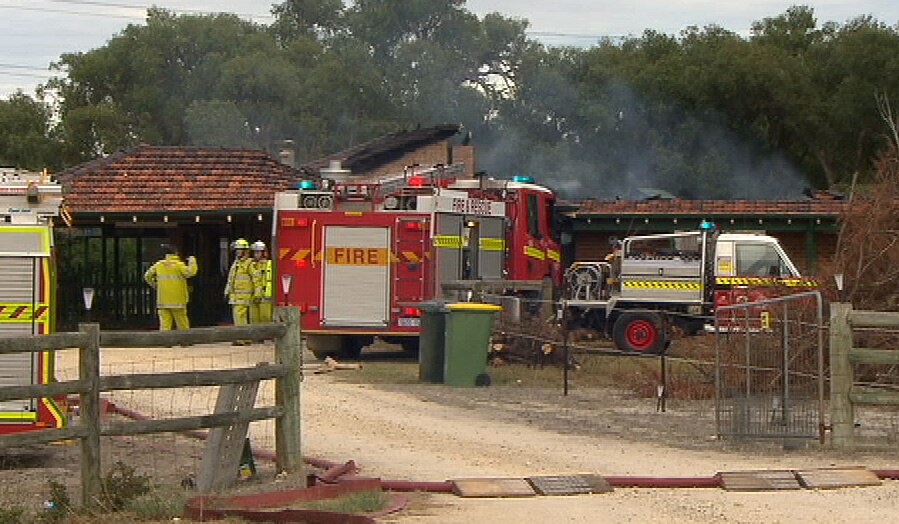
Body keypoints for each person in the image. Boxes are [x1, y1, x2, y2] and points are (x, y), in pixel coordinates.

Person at [144, 244, 198, 330]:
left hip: (163, 300)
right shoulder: (179, 265)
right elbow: (190, 272)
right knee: (182, 323)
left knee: (165, 324)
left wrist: (155, 285)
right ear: (175, 253)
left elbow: (147, 276)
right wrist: (192, 261)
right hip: (178, 300)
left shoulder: (158, 265)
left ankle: (165, 342)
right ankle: (185, 340)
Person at [224, 238, 254, 344]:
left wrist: (258, 293)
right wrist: (227, 291)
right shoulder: (236, 263)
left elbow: (256, 279)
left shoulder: (249, 263)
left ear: (245, 250)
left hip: (244, 295)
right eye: (236, 250)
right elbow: (231, 279)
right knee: (238, 317)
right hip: (235, 296)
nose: (237, 251)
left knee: (240, 316)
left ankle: (242, 338)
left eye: (239, 249)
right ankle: (244, 338)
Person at [250, 240, 273, 325]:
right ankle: (257, 338)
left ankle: (267, 337)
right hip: (253, 296)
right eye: (255, 252)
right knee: (254, 319)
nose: (256, 254)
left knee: (265, 318)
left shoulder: (270, 264)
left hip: (265, 296)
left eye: (258, 252)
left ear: (264, 253)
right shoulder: (252, 265)